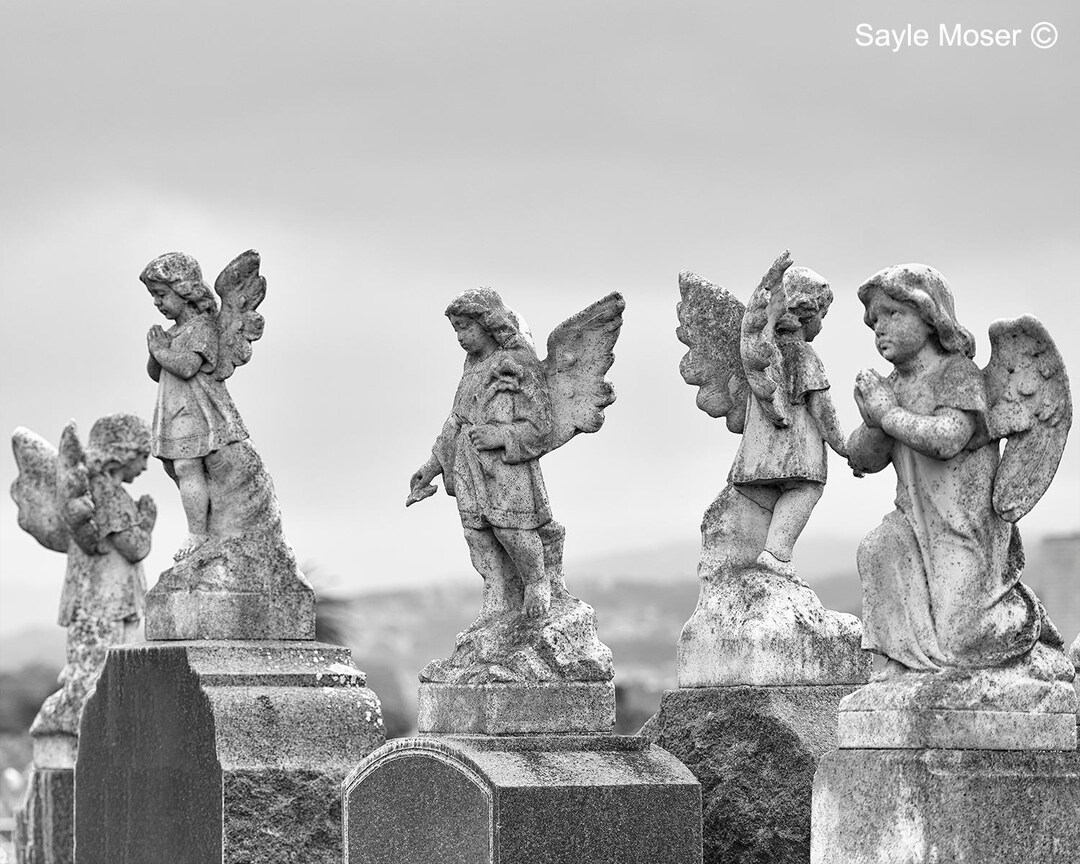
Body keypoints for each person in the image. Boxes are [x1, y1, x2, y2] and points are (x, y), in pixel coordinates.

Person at [848, 264, 1055, 676]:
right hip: (912, 524)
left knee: (962, 636)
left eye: (893, 314)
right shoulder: (894, 386)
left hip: (961, 531)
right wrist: (873, 420)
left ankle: (1027, 623)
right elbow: (864, 459)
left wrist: (887, 414)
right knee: (877, 550)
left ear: (930, 317)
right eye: (874, 320)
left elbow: (947, 439)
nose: (880, 328)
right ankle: (904, 662)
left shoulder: (956, 374)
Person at [408, 288, 556, 618]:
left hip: (505, 468)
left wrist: (500, 435)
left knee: (511, 529)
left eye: (465, 327)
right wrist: (432, 465)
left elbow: (541, 426)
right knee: (478, 535)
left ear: (487, 323)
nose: (460, 337)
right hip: (468, 466)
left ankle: (536, 581)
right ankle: (497, 596)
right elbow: (456, 419)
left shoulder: (517, 362)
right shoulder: (473, 365)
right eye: (456, 329)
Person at [730, 266, 847, 577]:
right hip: (795, 453)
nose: (822, 323)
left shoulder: (767, 352)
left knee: (767, 500)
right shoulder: (804, 355)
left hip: (760, 454)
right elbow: (822, 408)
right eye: (823, 314)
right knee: (806, 490)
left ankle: (759, 555)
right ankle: (776, 554)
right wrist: (844, 447)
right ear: (807, 314)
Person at [140, 253, 248, 557]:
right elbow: (155, 373)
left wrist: (160, 350)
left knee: (188, 466)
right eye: (153, 296)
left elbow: (187, 367)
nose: (157, 303)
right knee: (178, 469)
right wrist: (156, 351)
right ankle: (203, 525)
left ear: (184, 292)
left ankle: (198, 534)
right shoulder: (172, 333)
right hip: (174, 409)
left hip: (197, 408)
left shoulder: (202, 328)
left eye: (161, 294)